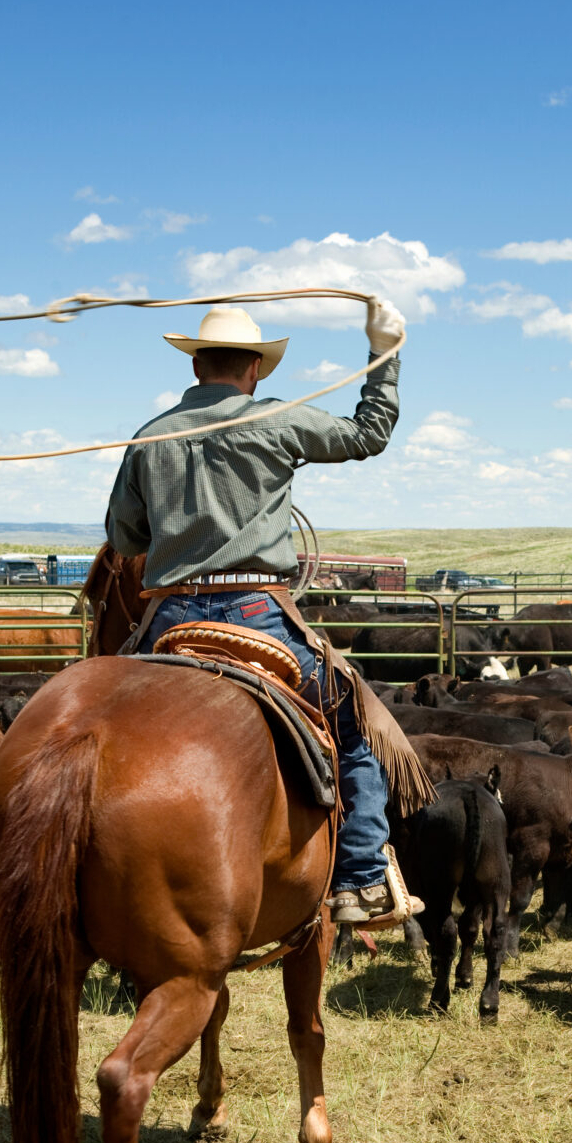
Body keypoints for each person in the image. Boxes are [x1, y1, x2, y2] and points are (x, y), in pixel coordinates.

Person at [104, 298, 423, 928]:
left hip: (170, 619)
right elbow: (368, 435)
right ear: (256, 369)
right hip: (259, 614)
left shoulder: (151, 436)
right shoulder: (277, 421)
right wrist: (384, 353)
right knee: (351, 725)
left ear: (196, 366)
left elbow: (126, 538)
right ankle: (360, 879)